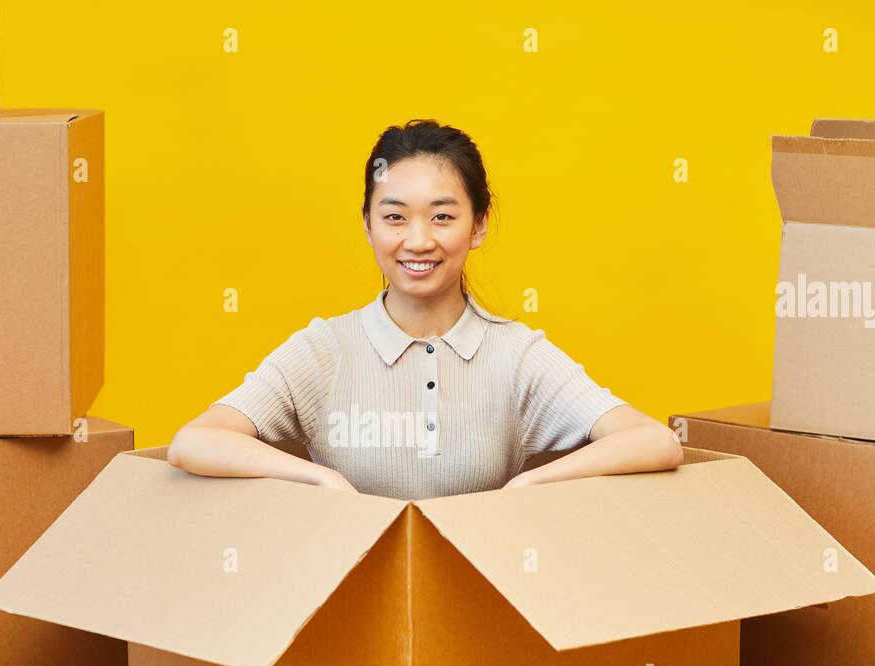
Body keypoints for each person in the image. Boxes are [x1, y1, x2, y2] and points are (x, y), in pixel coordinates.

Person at [167, 119, 682, 498]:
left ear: (478, 225)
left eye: (441, 216)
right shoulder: (324, 350)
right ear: (368, 225)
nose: (418, 240)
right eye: (394, 217)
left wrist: (529, 485)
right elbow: (195, 442)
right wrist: (316, 476)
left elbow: (655, 442)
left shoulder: (516, 354)